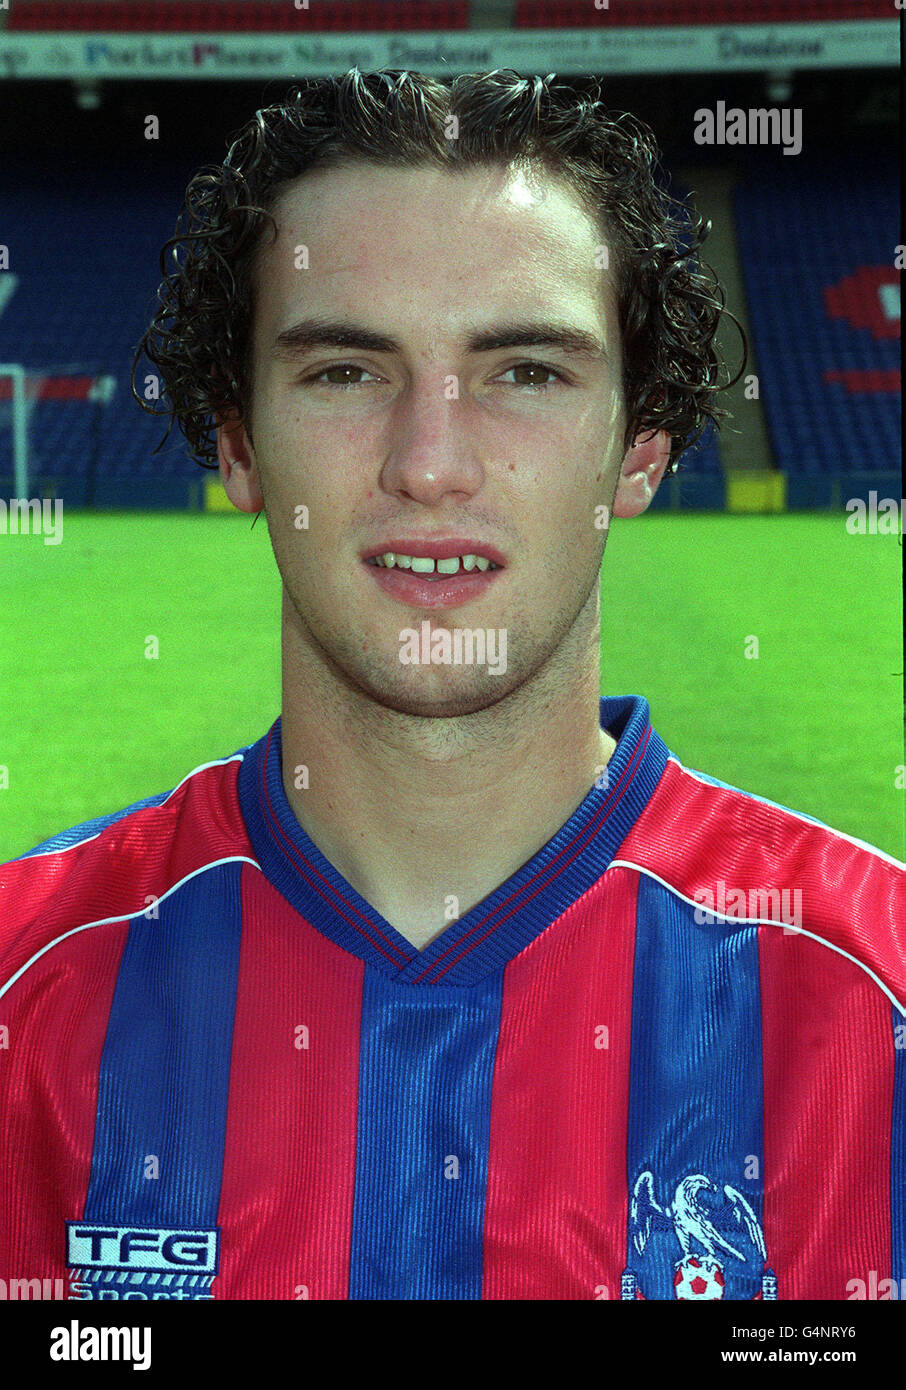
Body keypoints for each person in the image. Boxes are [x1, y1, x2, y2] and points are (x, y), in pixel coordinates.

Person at [1, 70, 902, 1302]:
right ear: (239, 444)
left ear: (640, 448)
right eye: (345, 372)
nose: (430, 463)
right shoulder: (29, 990)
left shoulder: (877, 996)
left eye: (525, 370)